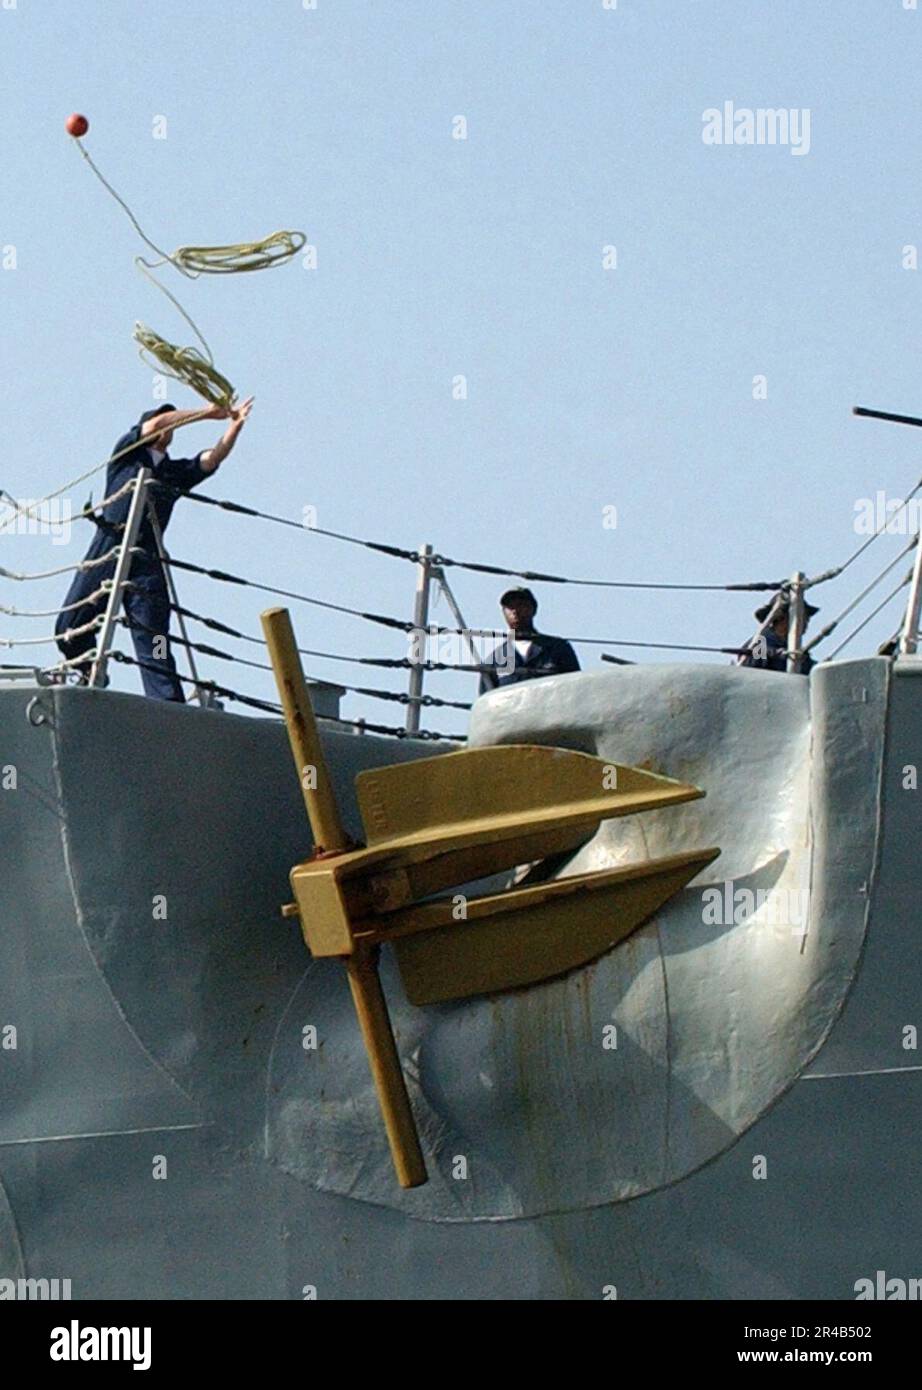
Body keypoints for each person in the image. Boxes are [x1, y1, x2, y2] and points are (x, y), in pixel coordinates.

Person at [54, 397, 254, 700]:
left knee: (156, 638)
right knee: (70, 626)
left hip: (146, 560)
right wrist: (206, 413)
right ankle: (88, 669)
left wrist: (234, 427)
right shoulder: (127, 453)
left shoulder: (172, 472)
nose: (168, 424)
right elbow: (157, 424)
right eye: (165, 419)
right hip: (109, 547)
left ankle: (167, 701)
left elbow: (211, 459)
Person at [479, 587, 580, 694]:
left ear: (532, 609)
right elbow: (486, 704)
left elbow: (576, 689)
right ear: (503, 612)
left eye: (520, 605)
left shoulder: (558, 649)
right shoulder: (494, 661)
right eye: (510, 607)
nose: (515, 611)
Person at [737, 594, 818, 675]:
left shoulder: (799, 651)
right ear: (780, 617)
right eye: (803, 617)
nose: (806, 623)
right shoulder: (760, 643)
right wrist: (775, 654)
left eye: (807, 619)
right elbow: (750, 672)